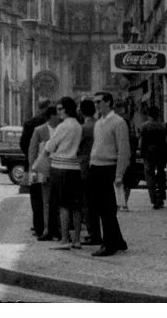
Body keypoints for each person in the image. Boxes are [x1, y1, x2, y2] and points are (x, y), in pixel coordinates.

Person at [87, 92, 129, 256]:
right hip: (96, 168)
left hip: (108, 169)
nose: (96, 105)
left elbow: (124, 150)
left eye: (99, 102)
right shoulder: (99, 123)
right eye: (95, 102)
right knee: (100, 207)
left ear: (108, 102)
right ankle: (118, 241)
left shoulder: (118, 123)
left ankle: (109, 244)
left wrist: (119, 175)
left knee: (107, 209)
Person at [45, 97, 84, 248]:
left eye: (60, 109)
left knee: (63, 205)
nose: (58, 112)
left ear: (67, 109)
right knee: (76, 206)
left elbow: (50, 145)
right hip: (75, 167)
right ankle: (77, 240)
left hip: (60, 167)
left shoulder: (62, 126)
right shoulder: (78, 126)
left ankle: (65, 239)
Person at [24, 101, 55, 237]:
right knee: (49, 199)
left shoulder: (31, 123)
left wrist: (33, 165)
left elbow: (26, 146)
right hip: (46, 165)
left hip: (39, 165)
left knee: (37, 199)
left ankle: (40, 227)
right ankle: (49, 227)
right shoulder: (42, 127)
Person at [30, 107, 61, 241]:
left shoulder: (62, 128)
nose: (59, 117)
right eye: (56, 115)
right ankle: (47, 228)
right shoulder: (39, 130)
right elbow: (33, 150)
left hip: (58, 167)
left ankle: (57, 228)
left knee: (58, 201)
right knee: (46, 201)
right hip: (44, 169)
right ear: (50, 116)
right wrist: (33, 170)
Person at [77, 98, 101, 246]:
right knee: (98, 202)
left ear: (81, 111)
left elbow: (77, 148)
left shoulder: (84, 128)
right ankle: (98, 233)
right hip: (100, 165)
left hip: (85, 166)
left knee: (87, 203)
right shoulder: (99, 125)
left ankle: (94, 234)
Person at [140, 106, 167, 210]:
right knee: (161, 175)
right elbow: (165, 141)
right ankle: (161, 196)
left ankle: (154, 199)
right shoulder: (162, 126)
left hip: (149, 153)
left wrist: (142, 153)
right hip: (161, 153)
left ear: (148, 114)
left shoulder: (144, 126)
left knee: (149, 175)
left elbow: (143, 142)